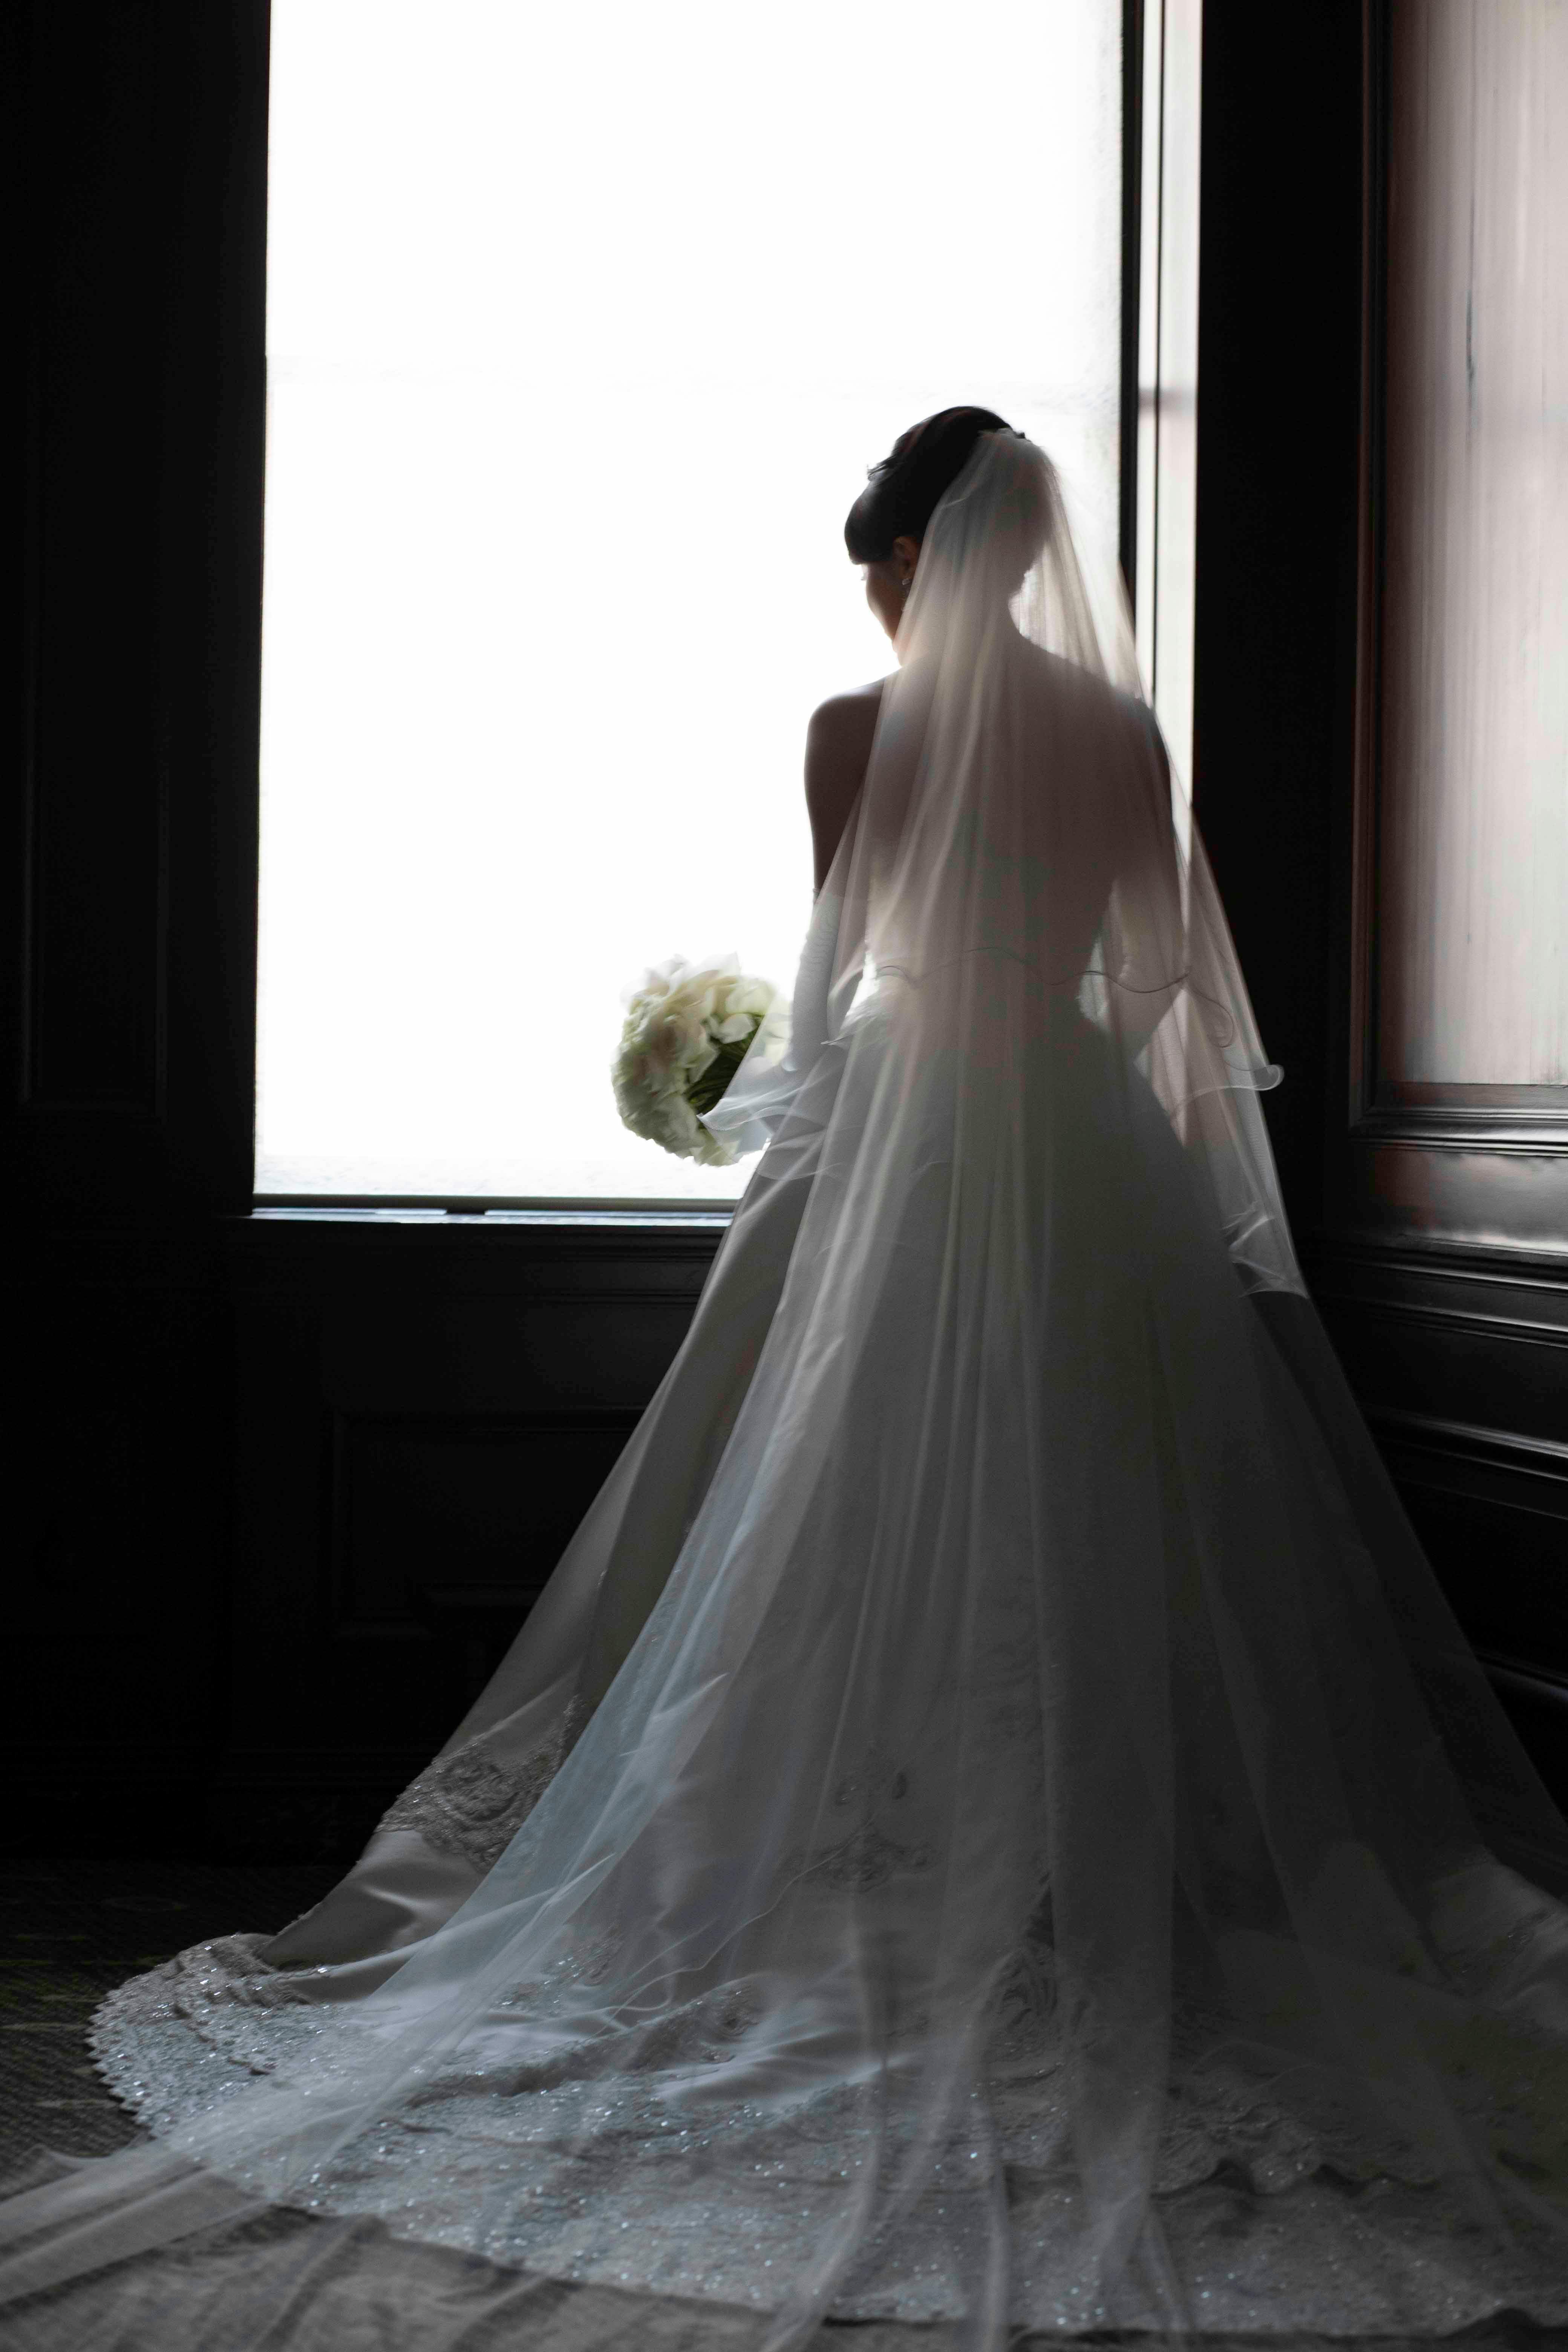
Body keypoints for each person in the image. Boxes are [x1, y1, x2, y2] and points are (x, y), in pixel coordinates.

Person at [6, 412, 1568, 2350]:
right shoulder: (1119, 733)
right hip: (1080, 1151)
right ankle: (1108, 1877)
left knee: (836, 1523)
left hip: (916, 1148)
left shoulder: (853, 729)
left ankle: (889, 1868)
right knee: (1098, 1517)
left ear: (907, 556)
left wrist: (740, 1103)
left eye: (880, 568)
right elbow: (1163, 995)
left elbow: (838, 988)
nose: (882, 602)